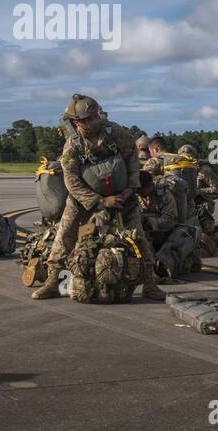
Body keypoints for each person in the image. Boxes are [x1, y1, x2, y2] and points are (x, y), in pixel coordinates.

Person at [32, 94, 163, 301]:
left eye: (95, 116)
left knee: (139, 238)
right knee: (64, 236)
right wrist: (100, 201)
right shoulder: (72, 146)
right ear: (77, 122)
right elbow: (71, 181)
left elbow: (132, 159)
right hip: (83, 200)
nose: (93, 121)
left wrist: (131, 187)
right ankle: (52, 282)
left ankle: (149, 284)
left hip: (123, 197)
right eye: (87, 119)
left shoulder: (115, 133)